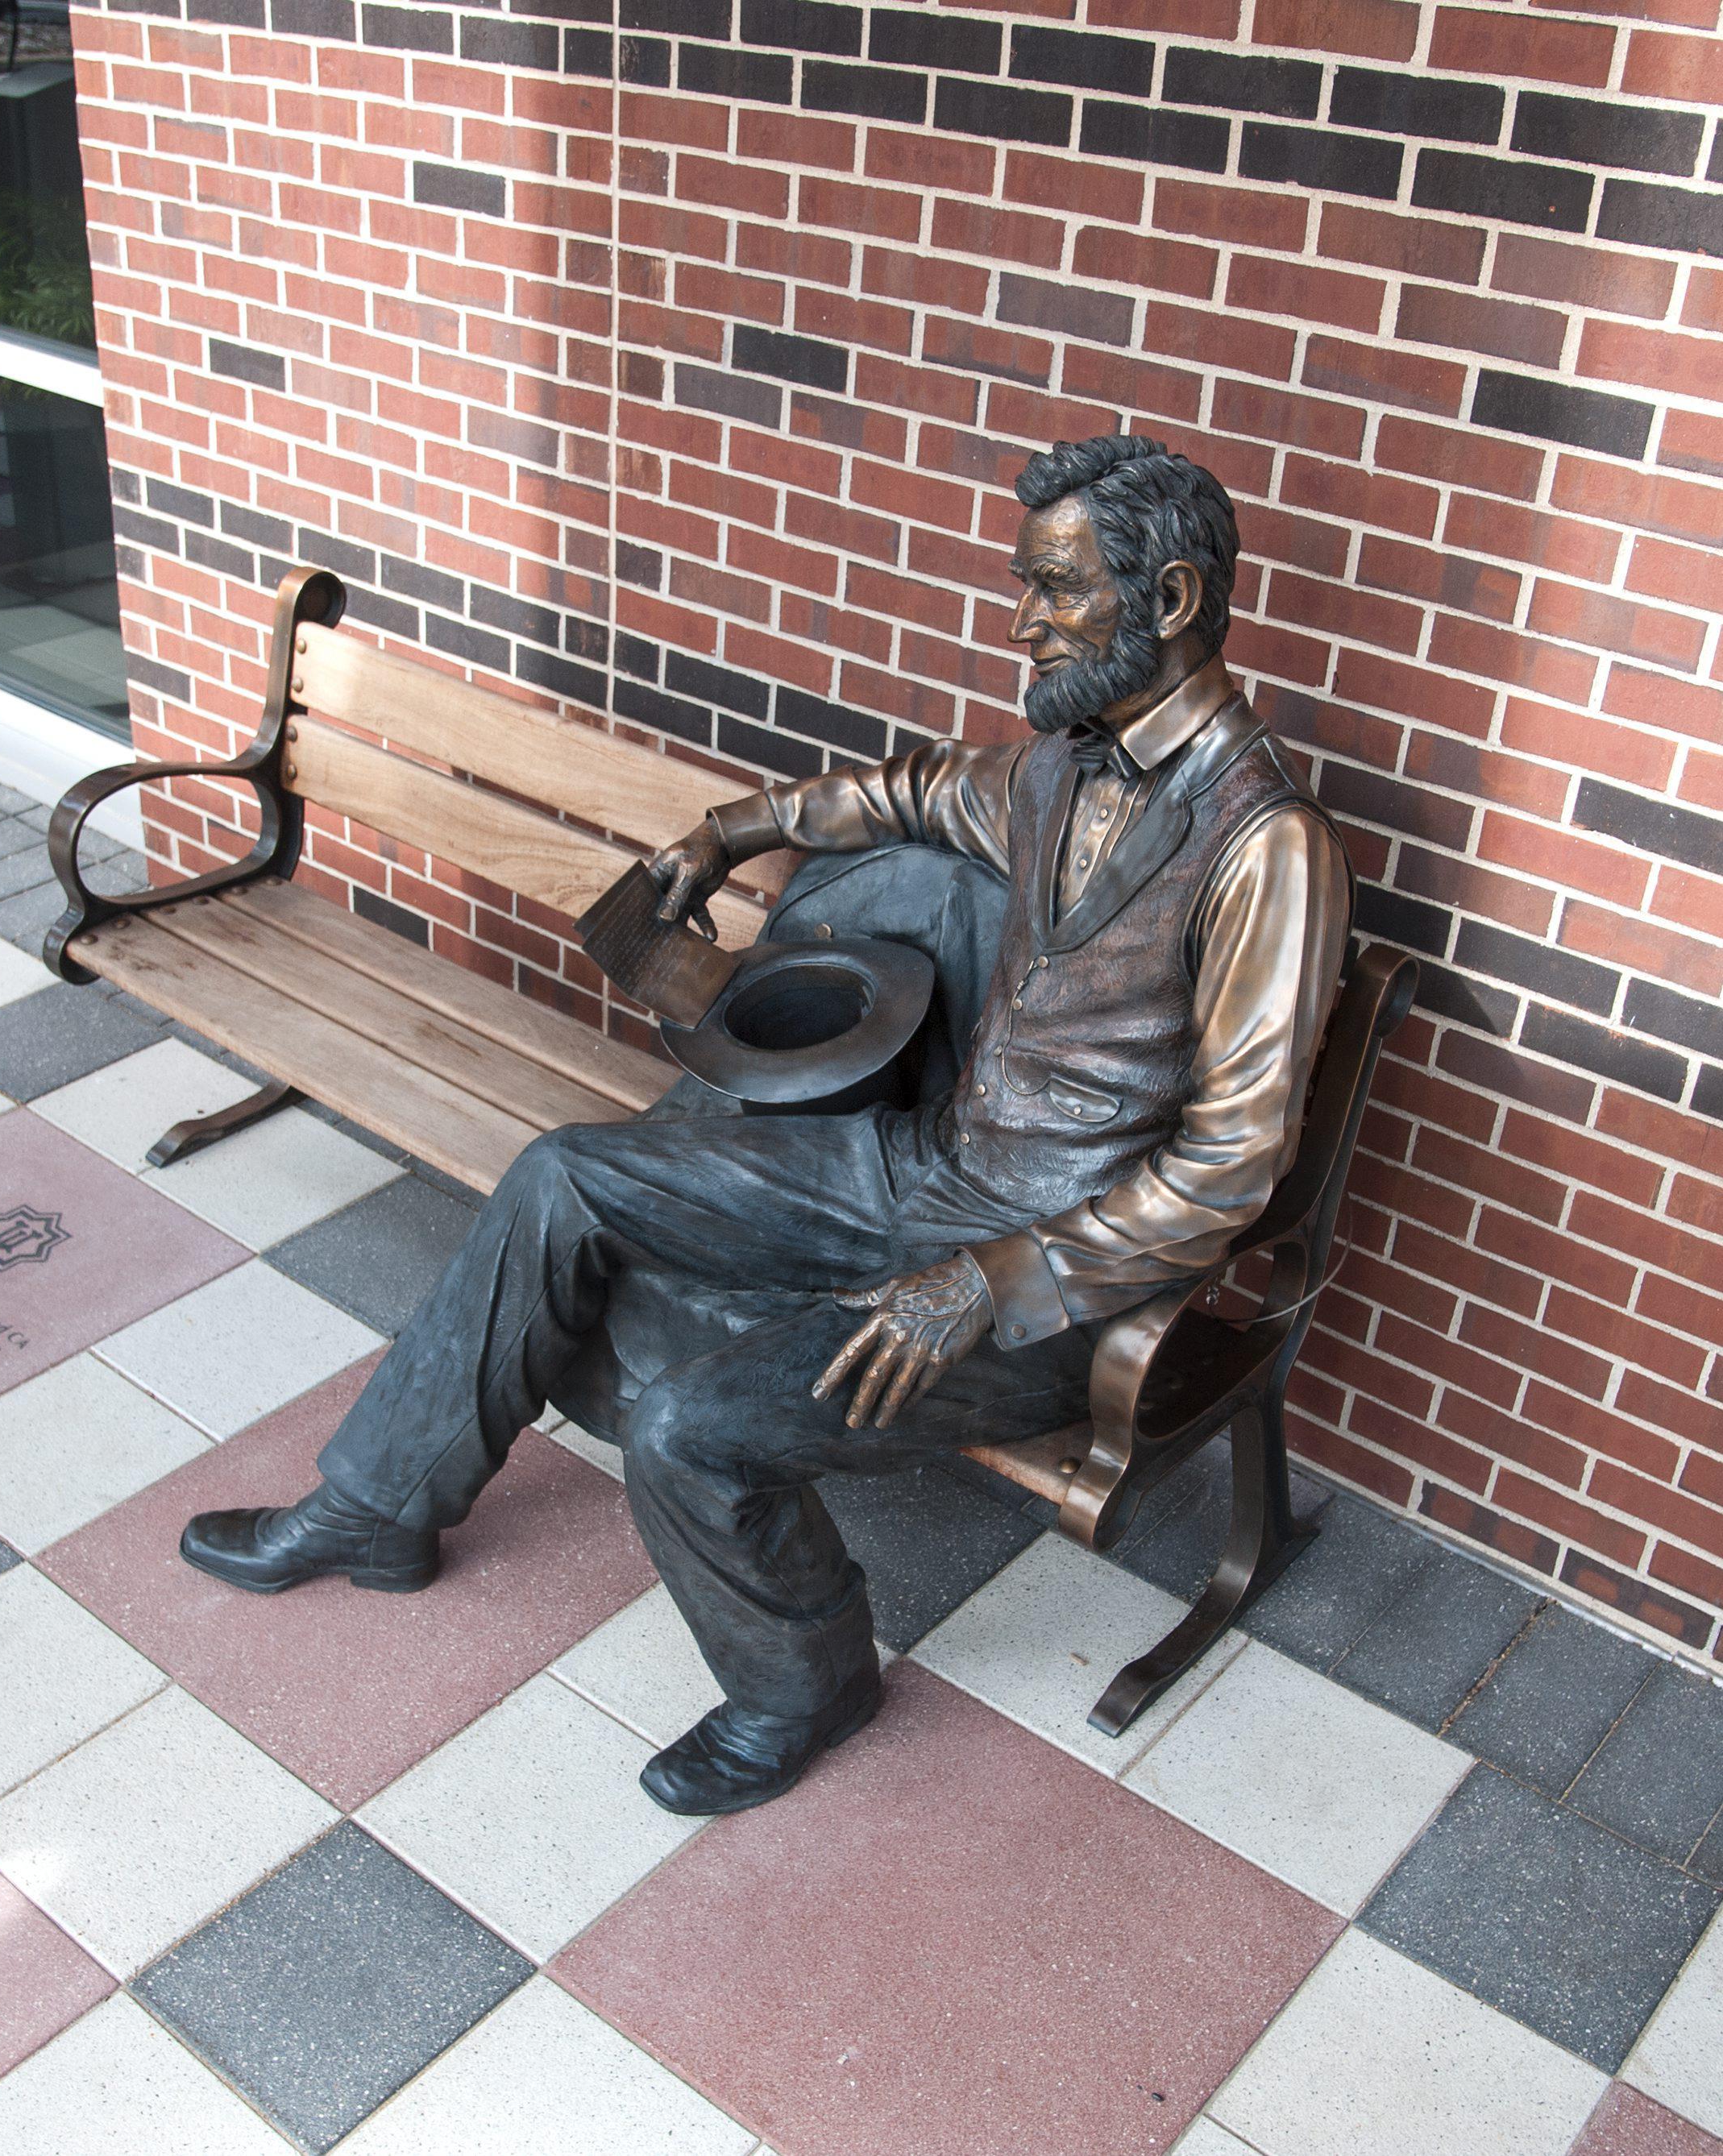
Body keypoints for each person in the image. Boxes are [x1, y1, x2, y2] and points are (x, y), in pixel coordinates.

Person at [179, 435, 1351, 1816]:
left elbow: (1233, 1170)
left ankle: (808, 1684)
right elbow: (905, 793)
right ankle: (380, 1504)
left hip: (1048, 1290)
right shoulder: (1061, 766)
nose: (1022, 617)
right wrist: (728, 832)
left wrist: (984, 1284)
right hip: (919, 1172)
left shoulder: (1268, 848)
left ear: (1164, 603)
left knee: (691, 1427)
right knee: (566, 1174)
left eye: (1056, 589)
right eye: (1024, 585)